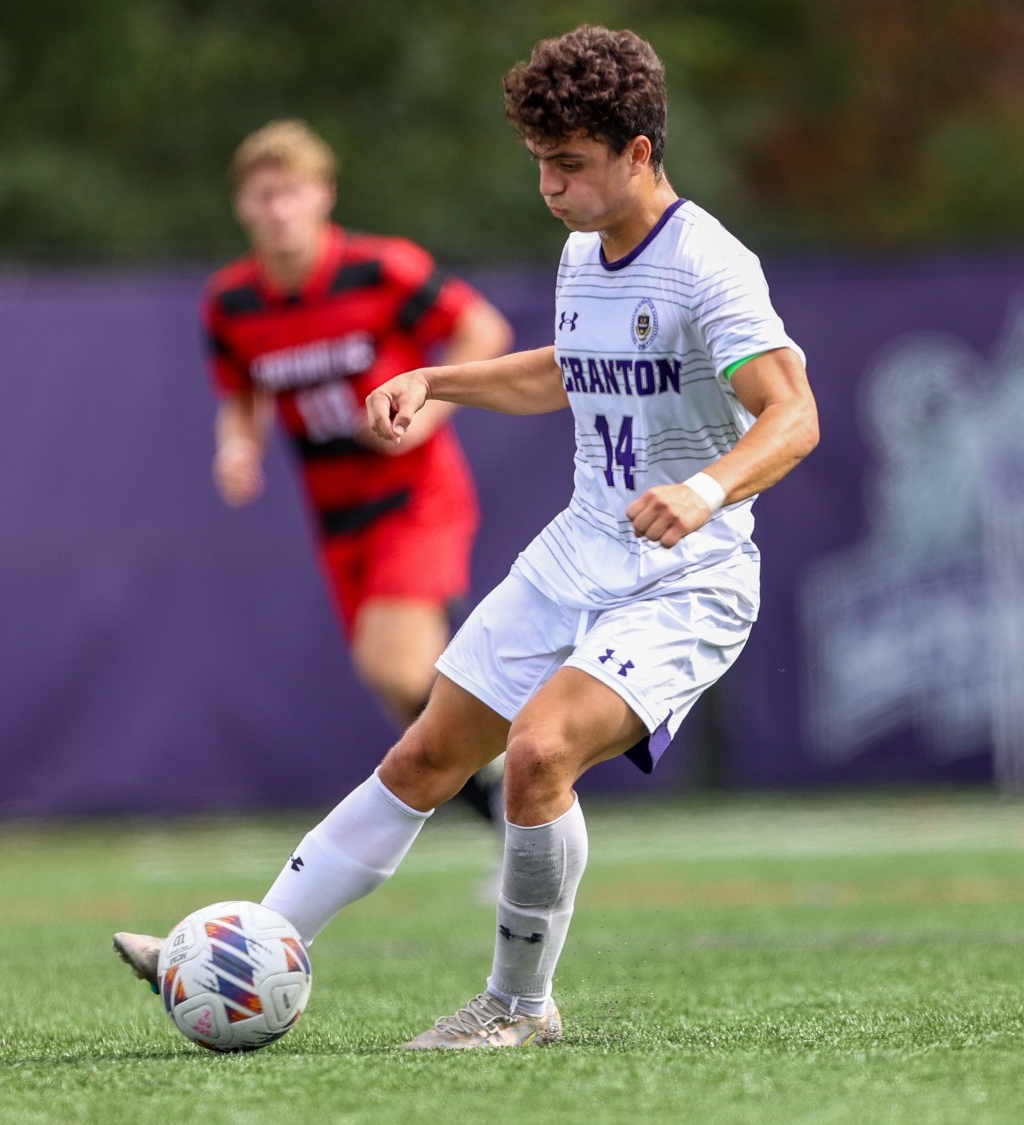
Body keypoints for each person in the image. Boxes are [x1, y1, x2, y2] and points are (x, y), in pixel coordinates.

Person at [115, 25, 819, 1047]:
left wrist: (706, 490)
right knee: (422, 757)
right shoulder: (585, 250)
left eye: (569, 165)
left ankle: (517, 1008)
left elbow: (792, 415)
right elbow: (561, 372)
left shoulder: (709, 265)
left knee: (536, 754)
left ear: (636, 152)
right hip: (579, 548)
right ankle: (237, 949)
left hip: (686, 576)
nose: (550, 187)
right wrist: (433, 376)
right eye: (539, 164)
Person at [202, 119, 514, 821]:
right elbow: (241, 397)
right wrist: (236, 449)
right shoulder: (231, 302)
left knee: (394, 667)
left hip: (414, 494)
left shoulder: (380, 267)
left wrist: (424, 410)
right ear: (241, 205)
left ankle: (524, 768)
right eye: (263, 195)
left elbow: (484, 329)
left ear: (324, 197)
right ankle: (512, 796)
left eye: (292, 192)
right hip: (337, 516)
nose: (278, 209)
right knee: (409, 700)